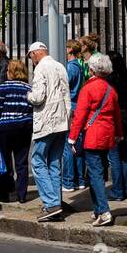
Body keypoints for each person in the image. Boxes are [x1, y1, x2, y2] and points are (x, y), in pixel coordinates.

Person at [69, 53, 123, 226]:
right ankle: (98, 209)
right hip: (107, 135)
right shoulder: (111, 89)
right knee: (95, 173)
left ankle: (105, 211)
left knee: (95, 174)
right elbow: (117, 115)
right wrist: (119, 133)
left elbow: (80, 115)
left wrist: (72, 138)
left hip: (92, 135)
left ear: (91, 69)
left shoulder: (88, 88)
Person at [26, 41, 71, 223]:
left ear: (36, 53)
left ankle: (51, 203)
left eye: (30, 56)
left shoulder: (40, 69)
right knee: (54, 163)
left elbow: (38, 97)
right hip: (61, 122)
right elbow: (66, 94)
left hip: (46, 121)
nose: (31, 60)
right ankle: (56, 203)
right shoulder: (60, 66)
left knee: (37, 162)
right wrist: (67, 117)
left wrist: (28, 95)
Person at [0, 57, 32, 203]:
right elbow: (31, 108)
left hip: (6, 127)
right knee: (22, 162)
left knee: (5, 161)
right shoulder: (28, 88)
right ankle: (22, 195)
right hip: (24, 127)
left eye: (8, 70)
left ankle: (4, 194)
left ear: (11, 72)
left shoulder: (3, 88)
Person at [106, 50, 127, 200]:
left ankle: (118, 191)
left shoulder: (110, 80)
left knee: (114, 156)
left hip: (114, 117)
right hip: (124, 115)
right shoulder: (126, 78)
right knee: (123, 155)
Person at [62, 39, 86, 194]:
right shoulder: (80, 66)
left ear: (70, 50)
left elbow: (65, 87)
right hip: (78, 106)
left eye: (66, 48)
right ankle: (80, 180)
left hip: (70, 107)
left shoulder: (70, 67)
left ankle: (69, 181)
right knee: (77, 146)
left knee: (68, 146)